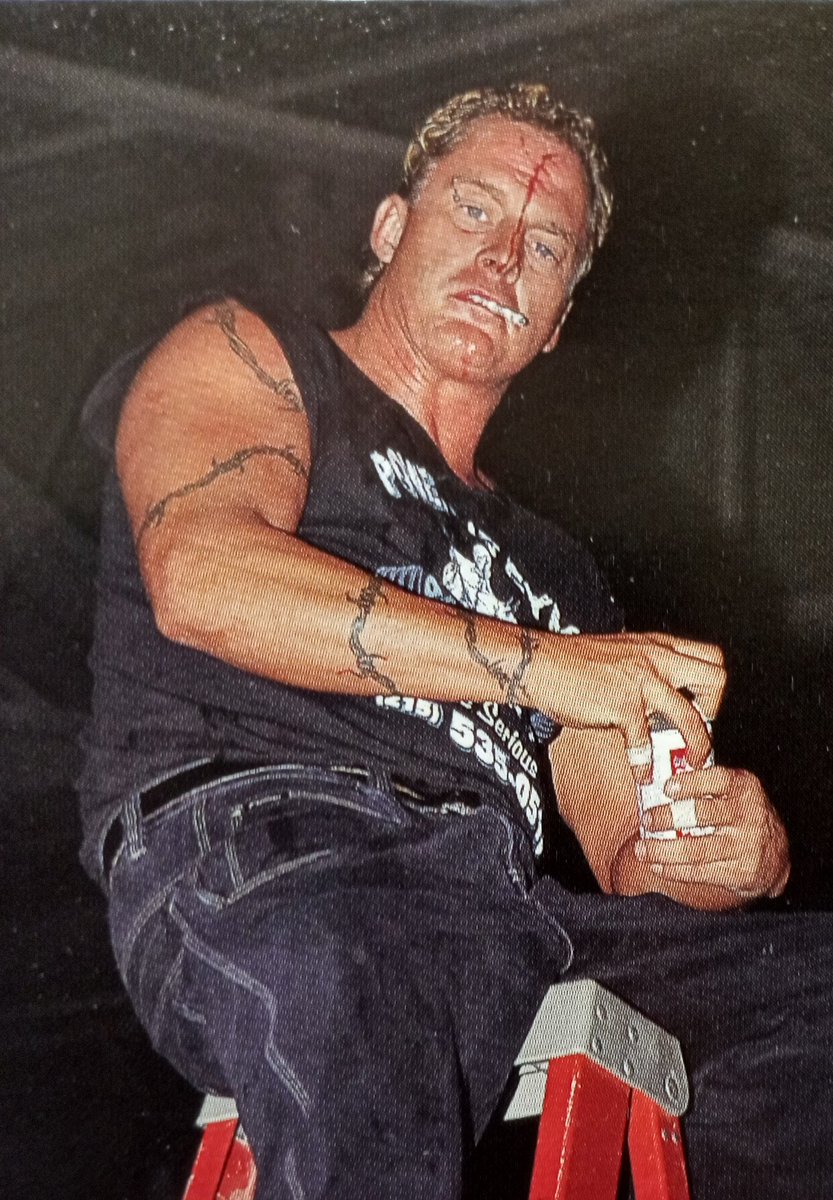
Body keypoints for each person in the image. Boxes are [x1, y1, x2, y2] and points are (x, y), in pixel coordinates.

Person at [79, 84, 830, 1198]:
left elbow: (628, 859)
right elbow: (204, 579)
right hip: (271, 841)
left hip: (499, 902)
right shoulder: (258, 356)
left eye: (543, 245)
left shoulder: (555, 571)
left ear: (558, 319)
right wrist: (546, 668)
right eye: (473, 210)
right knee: (358, 972)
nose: (501, 258)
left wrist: (734, 858)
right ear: (390, 228)